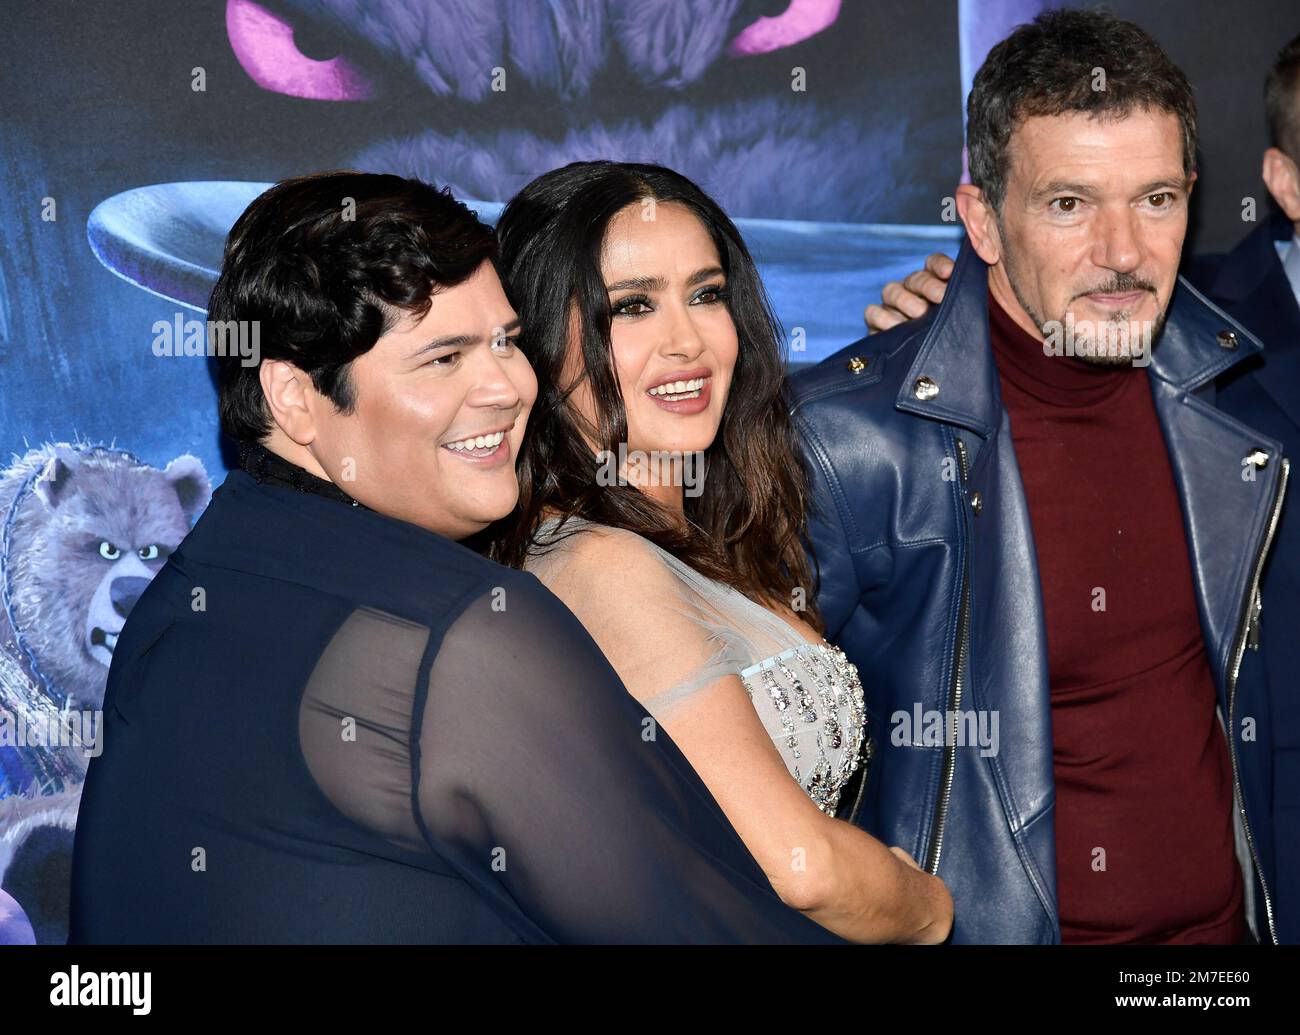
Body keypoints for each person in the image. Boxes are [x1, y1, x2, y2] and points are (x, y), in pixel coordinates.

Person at [68, 170, 847, 944]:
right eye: (445, 358)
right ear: (295, 398)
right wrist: (932, 911)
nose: (508, 387)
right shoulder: (456, 630)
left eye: (507, 342)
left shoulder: (199, 581)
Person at [789, 9, 1287, 944]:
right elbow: (750, 767)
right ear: (981, 219)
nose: (1123, 253)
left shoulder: (1234, 397)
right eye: (1068, 203)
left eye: (1155, 199)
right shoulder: (854, 443)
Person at [484, 160, 953, 943]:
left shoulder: (710, 531)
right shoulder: (602, 564)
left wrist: (915, 353)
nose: (687, 340)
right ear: (533, 341)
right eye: (631, 307)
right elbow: (801, 866)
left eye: (706, 294)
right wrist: (931, 909)